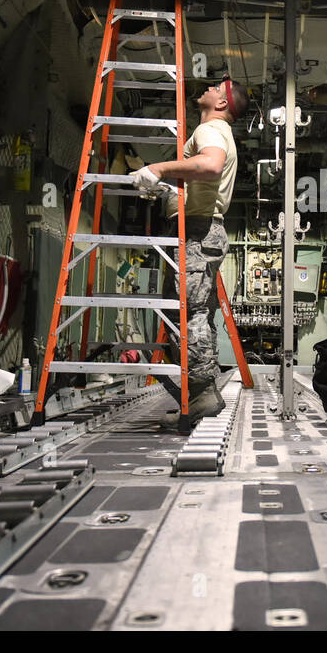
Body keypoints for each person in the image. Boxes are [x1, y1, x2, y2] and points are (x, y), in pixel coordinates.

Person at [130, 75, 248, 432]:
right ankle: (202, 390)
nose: (208, 89)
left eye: (216, 88)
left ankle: (201, 392)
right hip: (198, 228)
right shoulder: (215, 129)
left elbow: (210, 165)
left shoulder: (211, 129)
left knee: (188, 314)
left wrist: (158, 168)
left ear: (223, 103)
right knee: (193, 313)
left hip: (197, 230)